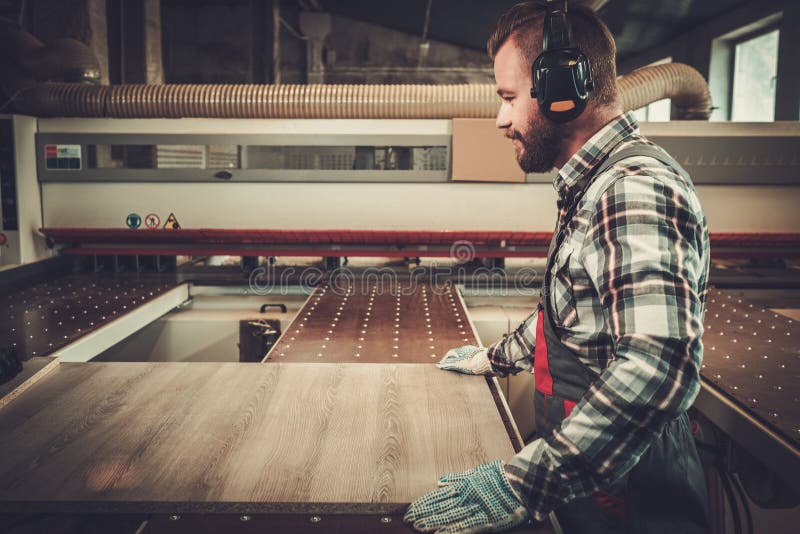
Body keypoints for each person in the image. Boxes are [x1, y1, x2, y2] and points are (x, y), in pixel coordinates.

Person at [404, 2, 711, 533]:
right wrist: (496, 358)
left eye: (509, 97)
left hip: (634, 493)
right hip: (593, 480)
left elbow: (659, 363)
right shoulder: (592, 187)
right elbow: (571, 310)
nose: (501, 119)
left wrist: (526, 482)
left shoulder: (632, 189)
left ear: (562, 87)